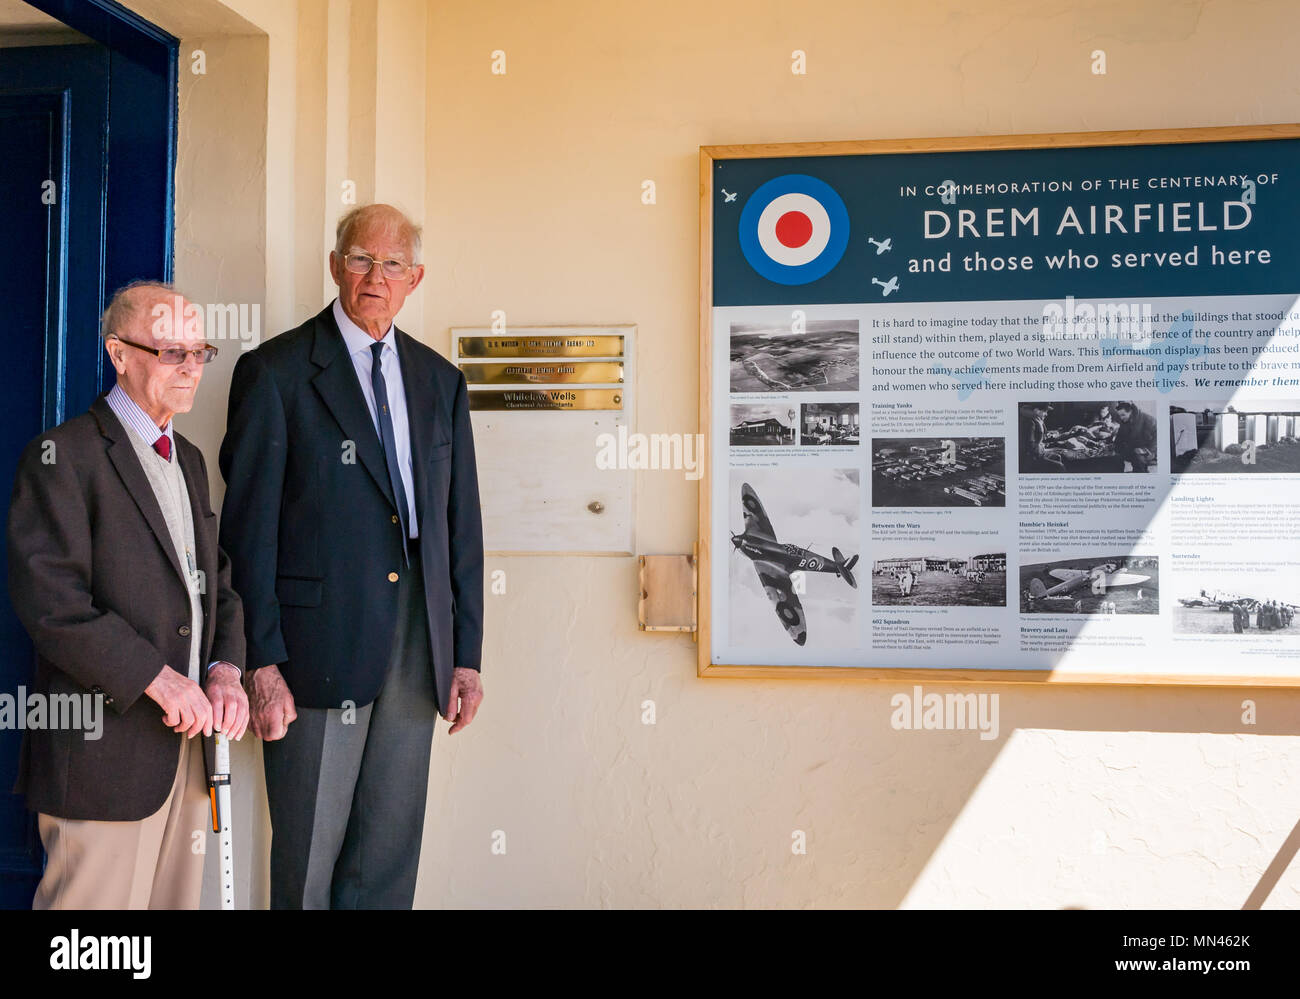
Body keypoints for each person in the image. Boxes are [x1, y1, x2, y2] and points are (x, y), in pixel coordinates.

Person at [219, 204, 485, 909]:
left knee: (387, 863)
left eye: (392, 264)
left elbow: (463, 528)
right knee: (308, 861)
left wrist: (466, 653)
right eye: (361, 259)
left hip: (417, 650)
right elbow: (247, 533)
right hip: (312, 651)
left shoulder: (440, 382)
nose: (375, 276)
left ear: (415, 279)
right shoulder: (274, 372)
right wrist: (260, 660)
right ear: (336, 266)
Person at [6, 283, 248, 909]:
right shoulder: (62, 456)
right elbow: (53, 605)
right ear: (119, 353)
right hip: (101, 760)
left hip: (190, 759)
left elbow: (214, 581)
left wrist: (224, 671)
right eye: (172, 353)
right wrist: (158, 678)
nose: (191, 368)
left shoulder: (188, 459)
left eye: (200, 352)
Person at [1113, 401, 1157, 472]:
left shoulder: (1148, 419)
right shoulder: (1124, 420)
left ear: (1130, 411)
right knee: (1115, 457)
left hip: (1148, 451)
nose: (1121, 418)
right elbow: (1120, 437)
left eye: (1123, 415)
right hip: (1132, 449)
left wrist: (1145, 450)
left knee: (1138, 460)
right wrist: (1114, 446)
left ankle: (1141, 478)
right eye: (1120, 415)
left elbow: (1158, 438)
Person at [1020, 403, 1065, 471]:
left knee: (1057, 456)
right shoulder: (1030, 423)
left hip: (1037, 453)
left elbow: (1042, 439)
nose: (1046, 414)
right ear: (1037, 410)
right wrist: (1050, 449)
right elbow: (1031, 448)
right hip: (1030, 458)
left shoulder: (1037, 420)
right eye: (1045, 411)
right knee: (1060, 467)